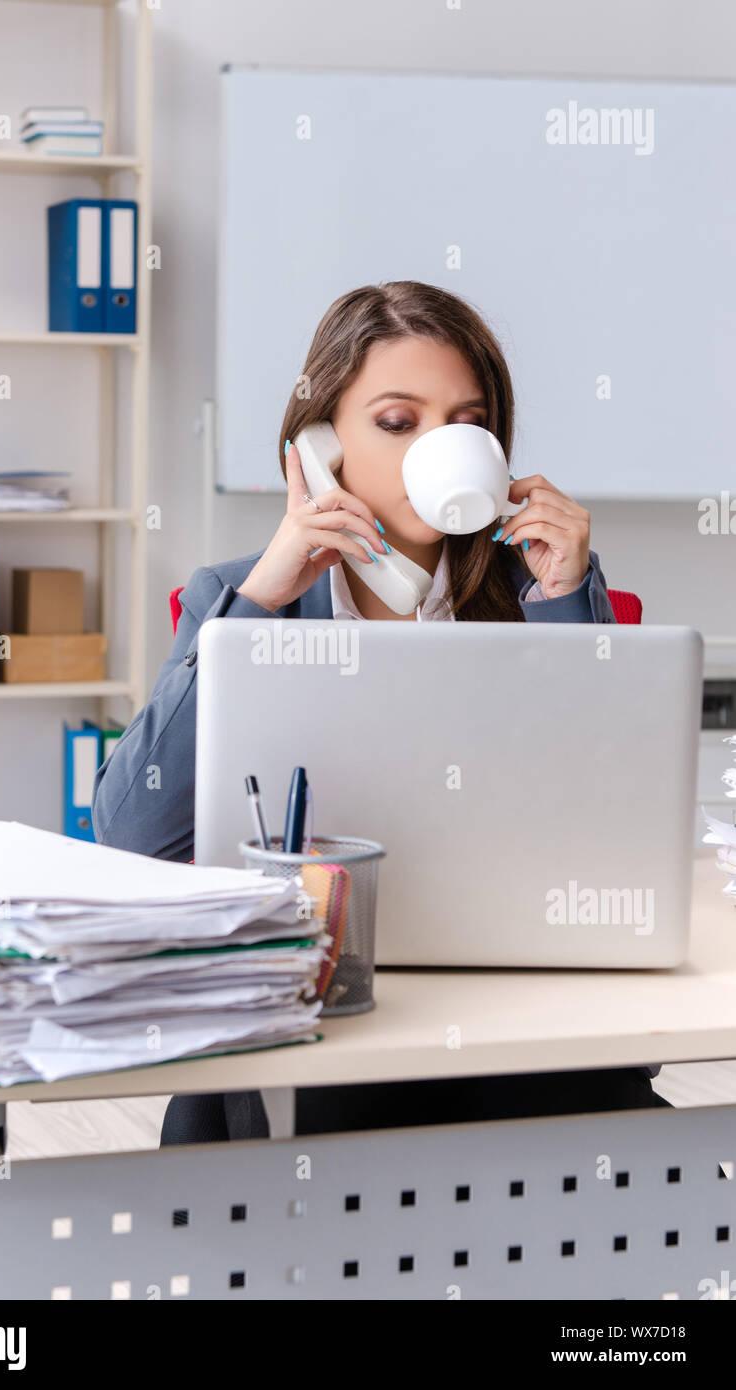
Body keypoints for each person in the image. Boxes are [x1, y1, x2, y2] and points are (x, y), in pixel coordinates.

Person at [92, 280, 667, 1142]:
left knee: (625, 1135)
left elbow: (610, 833)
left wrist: (561, 602)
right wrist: (257, 602)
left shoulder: (541, 591)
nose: (438, 447)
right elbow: (135, 834)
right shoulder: (240, 598)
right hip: (324, 1015)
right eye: (397, 422)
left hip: (516, 1006)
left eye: (465, 424)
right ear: (318, 448)